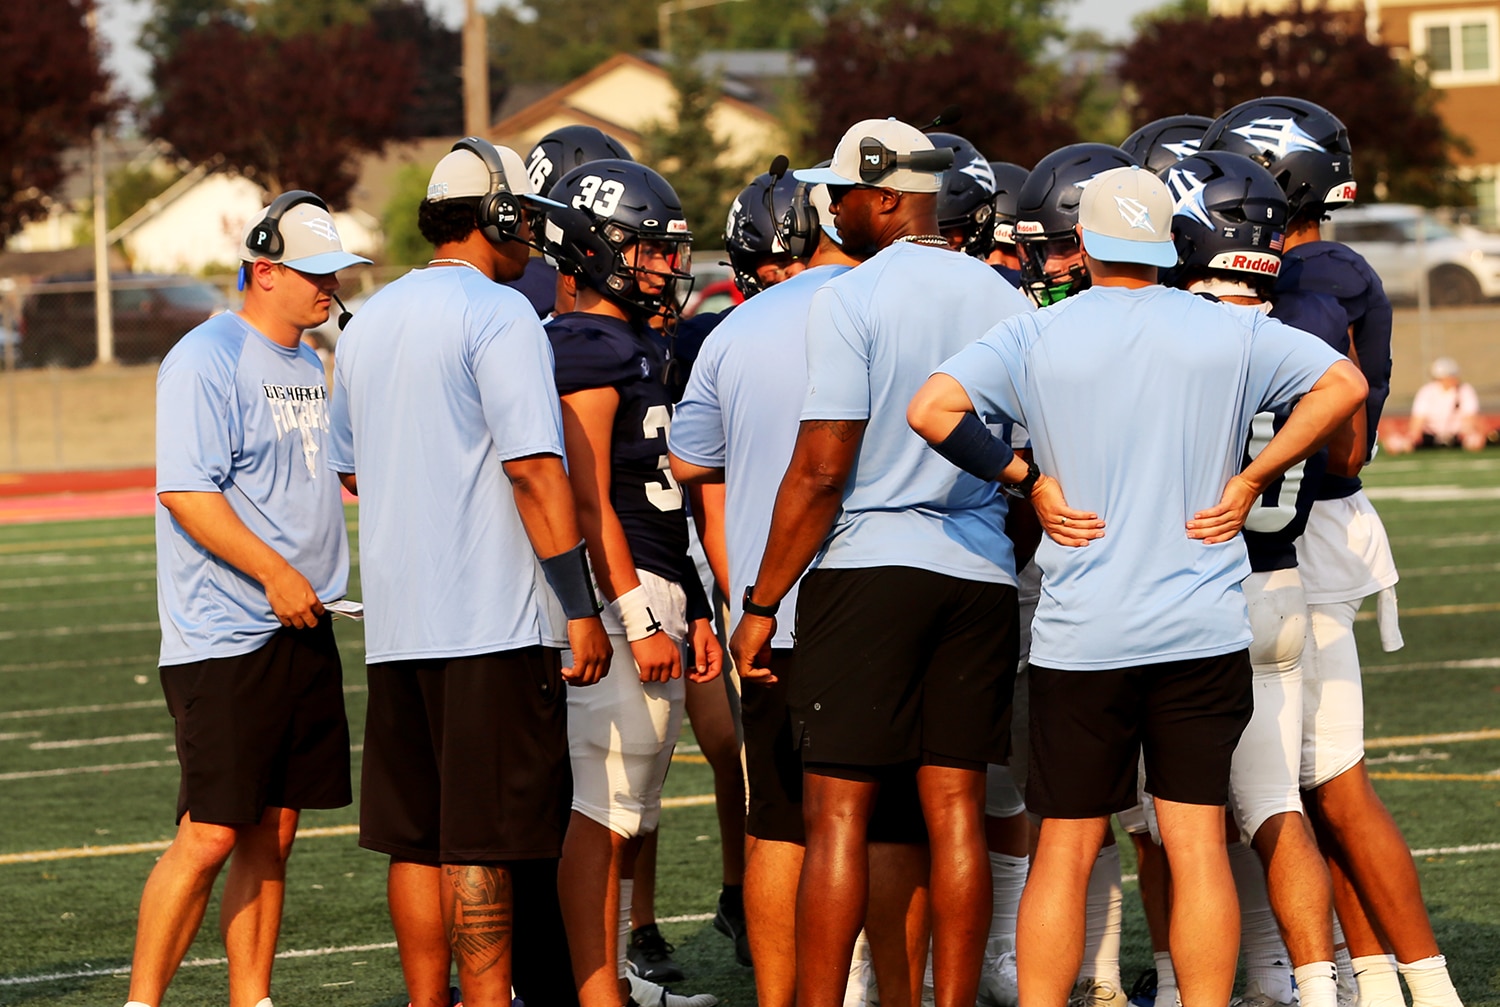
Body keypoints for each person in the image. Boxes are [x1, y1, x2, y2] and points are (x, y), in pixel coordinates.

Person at [910, 165, 1366, 1007]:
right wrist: (1250, 476)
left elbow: (932, 407)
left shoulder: (1033, 333)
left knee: (1066, 846)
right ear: (1166, 244)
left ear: (1081, 244)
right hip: (1201, 627)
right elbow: (1345, 385)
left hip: (1085, 633)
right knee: (1196, 843)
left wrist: (1028, 480)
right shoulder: (1228, 328)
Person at [728, 117, 1034, 1007]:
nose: (826, 206)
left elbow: (822, 468)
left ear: (885, 197)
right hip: (979, 576)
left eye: (840, 191)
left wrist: (760, 602)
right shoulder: (1005, 298)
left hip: (867, 571)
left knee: (837, 820)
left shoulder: (852, 296)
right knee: (956, 816)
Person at [328, 138, 613, 1007]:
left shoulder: (371, 318)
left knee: (416, 838)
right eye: (523, 214)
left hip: (400, 626)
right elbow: (535, 467)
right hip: (490, 622)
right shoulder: (500, 316)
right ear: (496, 215)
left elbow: (350, 468)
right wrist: (580, 604)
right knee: (484, 840)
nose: (530, 231)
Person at [1206, 97, 1468, 1007]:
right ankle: (1394, 980)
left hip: (1289, 542)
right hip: (1322, 533)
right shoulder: (1336, 273)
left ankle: (1355, 981)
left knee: (1305, 789)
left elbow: (1343, 441)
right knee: (1327, 788)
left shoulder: (1306, 287)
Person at [670, 170, 934, 1007]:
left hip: (772, 613)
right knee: (892, 821)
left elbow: (690, 463)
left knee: (778, 823)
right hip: (887, 602)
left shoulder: (734, 330)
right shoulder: (900, 310)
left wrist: (736, 578)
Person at [130, 191, 369, 1007]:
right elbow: (187, 493)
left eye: (336, 274)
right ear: (264, 270)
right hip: (226, 634)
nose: (330, 288)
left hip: (305, 624)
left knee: (278, 828)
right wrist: (273, 572)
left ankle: (252, 999)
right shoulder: (206, 356)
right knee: (210, 832)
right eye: (316, 273)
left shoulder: (309, 360)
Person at [541, 158, 723, 1007]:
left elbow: (657, 489)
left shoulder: (631, 339)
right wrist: (632, 609)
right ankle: (596, 989)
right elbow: (584, 493)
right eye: (648, 250)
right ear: (596, 249)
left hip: (662, 578)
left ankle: (612, 975)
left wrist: (695, 602)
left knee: (636, 804)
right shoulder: (582, 341)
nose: (664, 267)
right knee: (603, 805)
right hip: (627, 590)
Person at [1161, 148, 1340, 1007]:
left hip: (1194, 596)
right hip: (1280, 581)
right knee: (1276, 806)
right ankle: (1313, 981)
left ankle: (1170, 983)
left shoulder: (1177, 330)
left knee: (1169, 827)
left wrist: (1233, 481)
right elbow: (1345, 413)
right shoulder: (1289, 325)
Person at [627, 168, 806, 984]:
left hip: (733, 576)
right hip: (701, 564)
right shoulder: (697, 341)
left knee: (738, 753)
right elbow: (698, 472)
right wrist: (736, 595)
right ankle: (641, 919)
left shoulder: (719, 335)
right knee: (654, 760)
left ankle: (739, 895)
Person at [1386, 357, 1487, 453]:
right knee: (1397, 443)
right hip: (1431, 435)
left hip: (1457, 435)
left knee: (1475, 441)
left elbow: (1470, 418)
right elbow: (1418, 419)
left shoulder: (1465, 390)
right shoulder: (1427, 391)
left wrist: (1468, 434)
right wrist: (1413, 437)